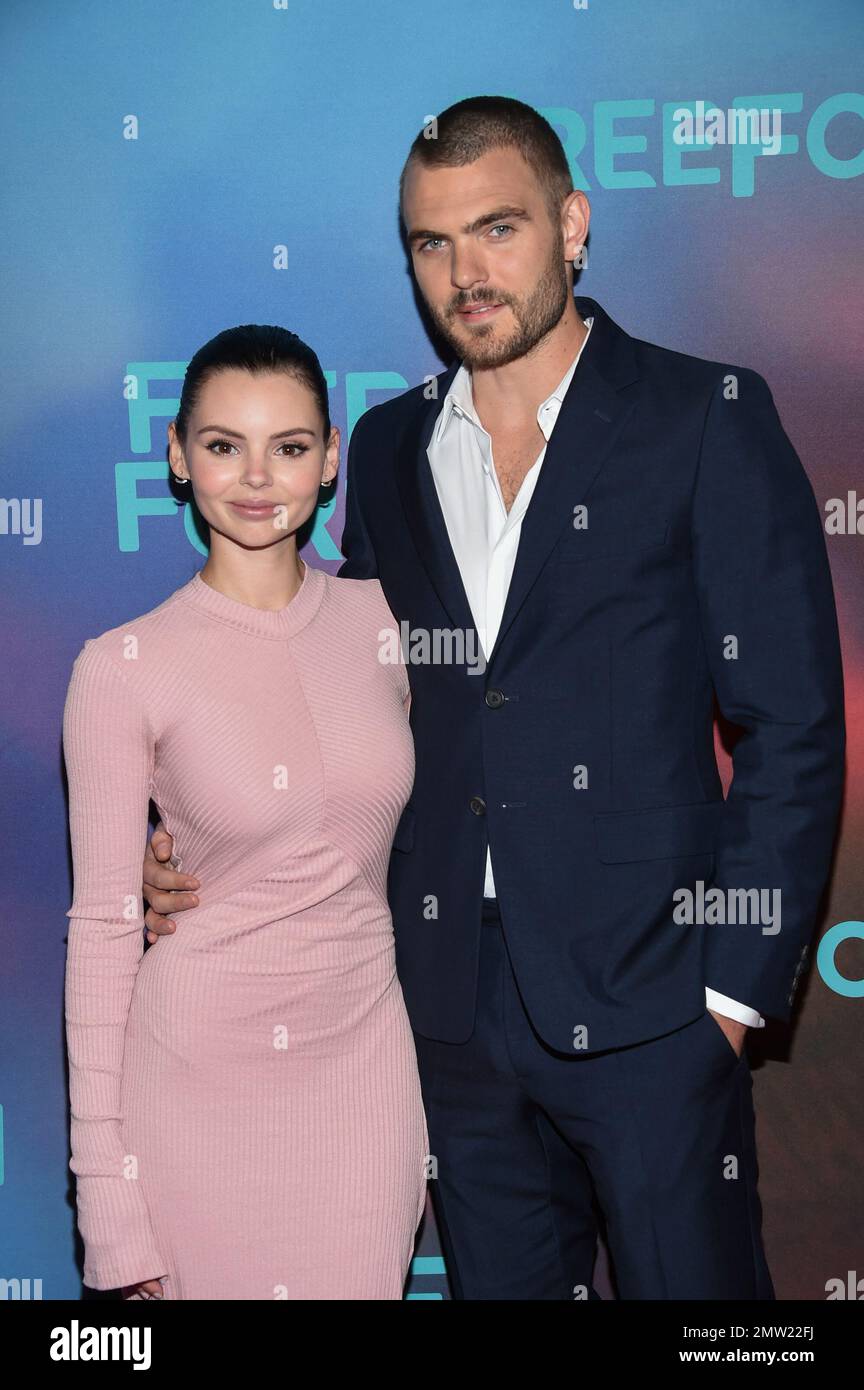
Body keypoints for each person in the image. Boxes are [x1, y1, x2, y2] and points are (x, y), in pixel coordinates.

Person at [142, 97, 845, 1299]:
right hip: (445, 1017)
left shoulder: (702, 416)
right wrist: (207, 848)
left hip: (654, 1008)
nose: (466, 273)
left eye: (499, 228)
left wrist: (726, 1002)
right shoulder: (388, 451)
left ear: (573, 225)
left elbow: (794, 726)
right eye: (432, 243)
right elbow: (345, 708)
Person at [63, 325, 428, 1300]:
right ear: (178, 455)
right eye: (224, 445)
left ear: (332, 457)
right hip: (192, 1089)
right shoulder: (119, 667)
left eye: (291, 446)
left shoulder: (390, 623)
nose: (258, 478)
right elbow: (102, 931)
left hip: (363, 1081)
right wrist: (106, 1197)